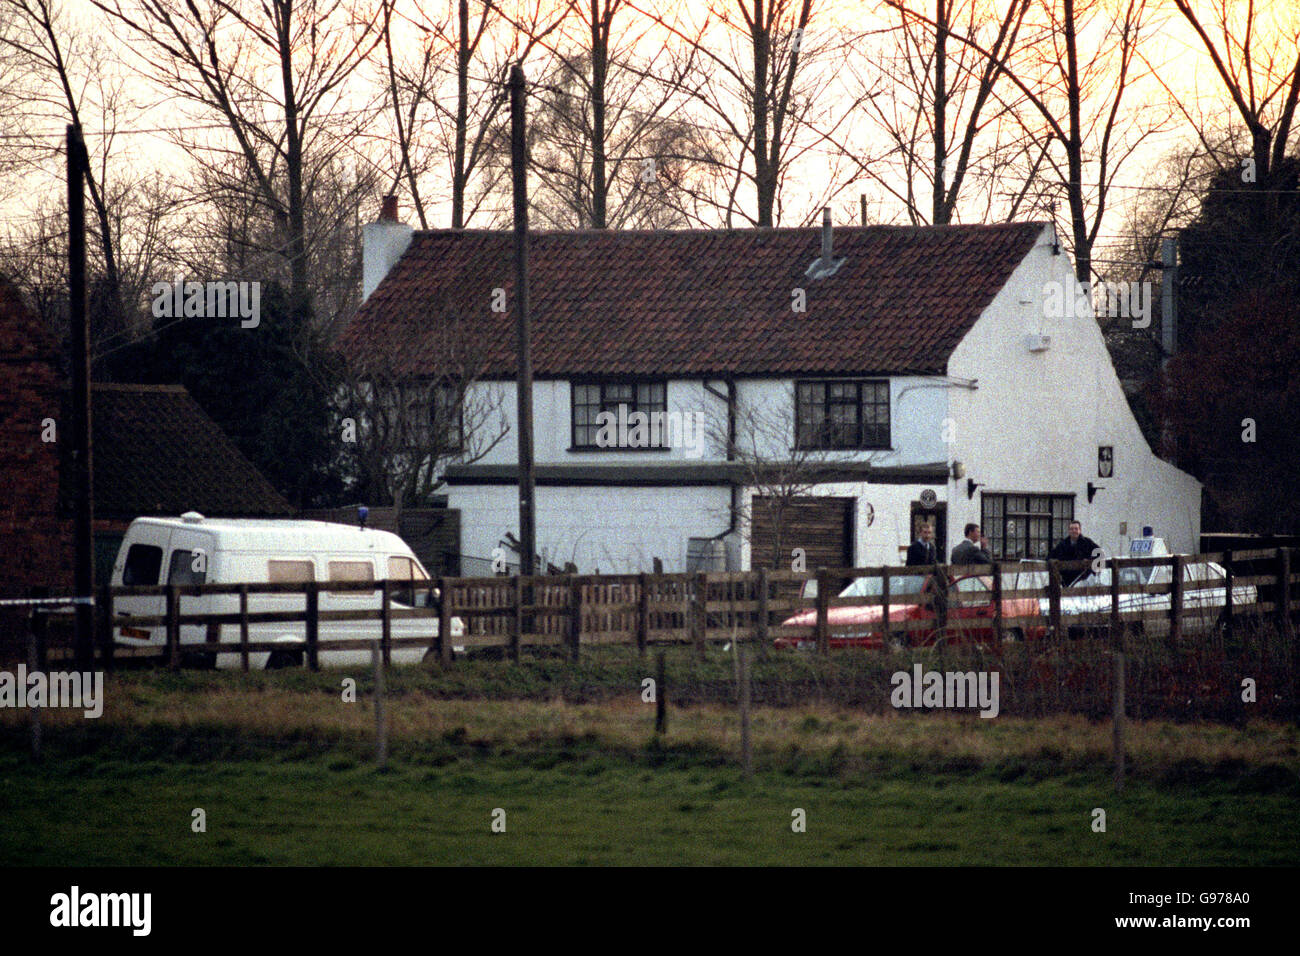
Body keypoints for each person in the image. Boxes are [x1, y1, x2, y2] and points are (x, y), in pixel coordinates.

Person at [1050, 520, 1101, 585]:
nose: (1074, 531)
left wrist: (1089, 560)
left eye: (1076, 529)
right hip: (1067, 579)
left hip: (1083, 578)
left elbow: (1099, 552)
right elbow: (1052, 555)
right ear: (1069, 531)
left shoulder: (1087, 542)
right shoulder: (1063, 544)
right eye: (1071, 529)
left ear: (1080, 530)